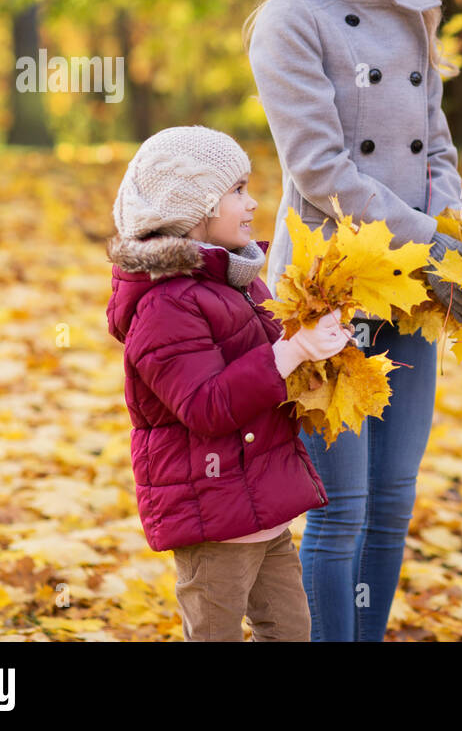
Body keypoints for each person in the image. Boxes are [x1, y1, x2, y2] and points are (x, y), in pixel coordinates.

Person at [242, 0, 462, 641]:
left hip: (416, 278)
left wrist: (441, 231)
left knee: (392, 501)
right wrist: (429, 239)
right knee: (340, 507)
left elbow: (437, 141)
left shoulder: (411, 6)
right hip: (331, 283)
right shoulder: (288, 22)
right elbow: (319, 169)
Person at [105, 124, 351, 641]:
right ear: (190, 207)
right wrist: (289, 352)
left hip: (266, 508)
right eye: (237, 190)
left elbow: (271, 356)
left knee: (289, 629)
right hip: (211, 516)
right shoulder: (164, 305)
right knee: (216, 632)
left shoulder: (234, 277)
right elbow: (206, 405)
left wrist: (313, 339)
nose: (253, 201)